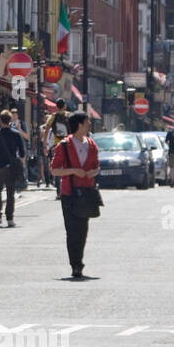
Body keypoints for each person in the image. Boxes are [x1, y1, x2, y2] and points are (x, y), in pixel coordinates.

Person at [49, 111, 100, 279]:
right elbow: (54, 170)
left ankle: (79, 261)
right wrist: (73, 171)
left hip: (86, 193)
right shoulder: (64, 145)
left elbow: (96, 167)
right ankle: (76, 265)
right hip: (69, 193)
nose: (89, 125)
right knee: (72, 231)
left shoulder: (92, 144)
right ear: (79, 124)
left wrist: (93, 172)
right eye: (87, 122)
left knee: (83, 230)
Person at [0, 109, 26, 227]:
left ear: (0, 120)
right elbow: (22, 153)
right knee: (10, 193)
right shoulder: (16, 134)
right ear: (10, 120)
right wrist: (21, 165)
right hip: (11, 168)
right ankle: (10, 218)